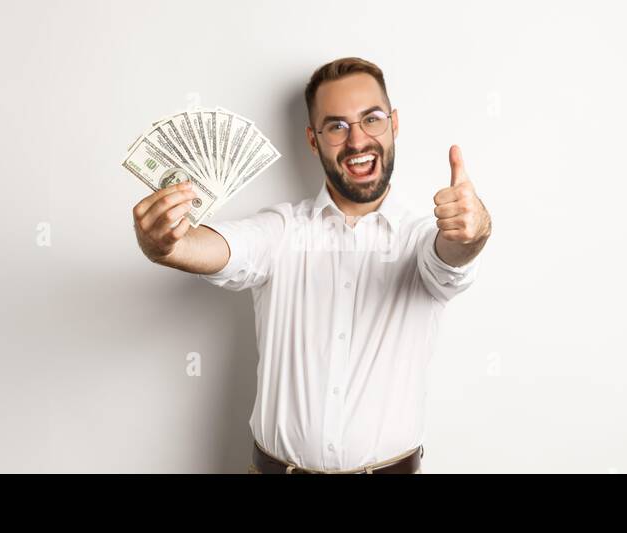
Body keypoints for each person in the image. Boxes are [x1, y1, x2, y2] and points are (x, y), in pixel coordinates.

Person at [131, 57, 491, 474]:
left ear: (393, 124)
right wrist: (167, 246)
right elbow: (221, 249)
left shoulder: (420, 239)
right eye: (336, 126)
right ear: (313, 139)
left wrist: (473, 231)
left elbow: (451, 259)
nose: (357, 141)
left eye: (371, 119)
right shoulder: (282, 230)